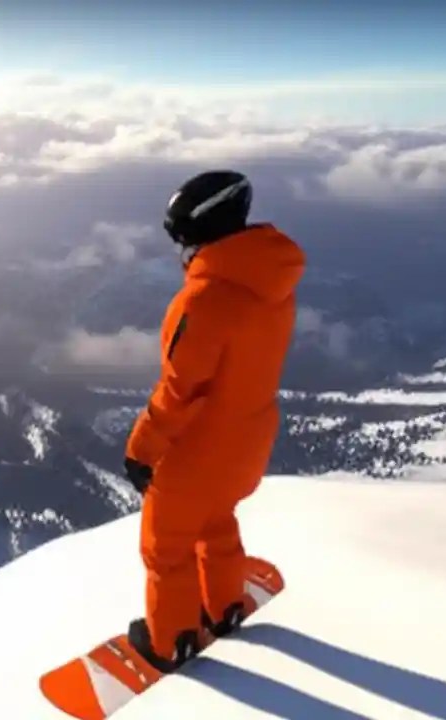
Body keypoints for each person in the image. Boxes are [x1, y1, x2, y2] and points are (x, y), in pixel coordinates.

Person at [122, 170, 305, 672]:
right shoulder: (271, 282)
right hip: (248, 440)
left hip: (198, 448)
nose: (181, 247)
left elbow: (180, 390)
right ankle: (224, 609)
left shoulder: (204, 301)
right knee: (216, 520)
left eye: (180, 235)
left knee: (167, 546)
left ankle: (170, 641)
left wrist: (140, 449)